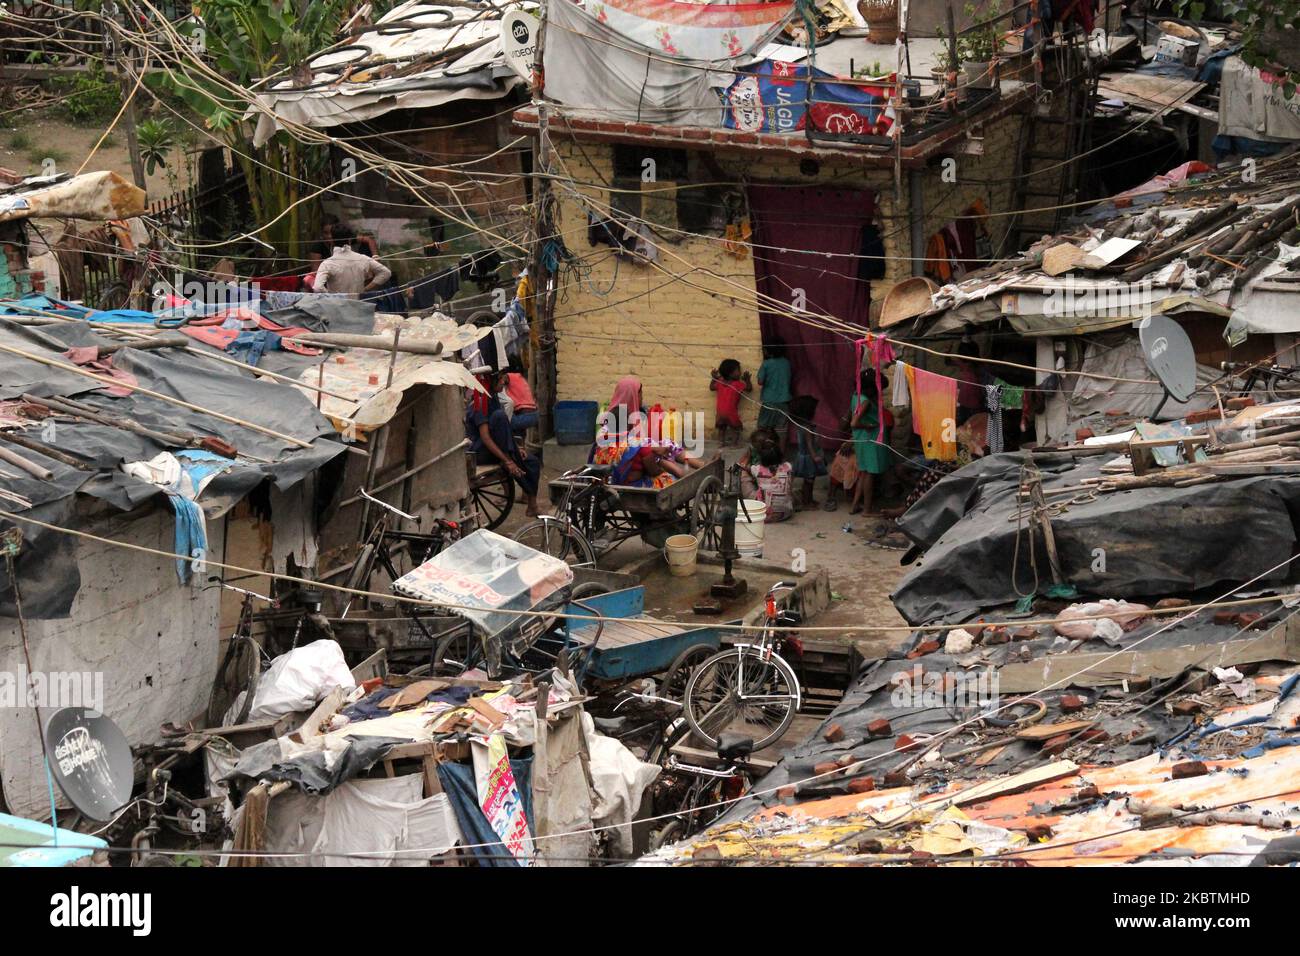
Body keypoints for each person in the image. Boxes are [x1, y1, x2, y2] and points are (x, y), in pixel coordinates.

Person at [465, 375, 543, 516]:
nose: (504, 382)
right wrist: (508, 460)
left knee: (532, 462)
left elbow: (503, 430)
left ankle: (532, 504)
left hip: (495, 447)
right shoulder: (481, 402)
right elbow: (486, 438)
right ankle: (511, 458)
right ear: (492, 381)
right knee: (517, 460)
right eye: (500, 379)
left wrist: (516, 446)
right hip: (481, 451)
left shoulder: (493, 398)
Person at [850, 370, 892, 515]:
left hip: (861, 439)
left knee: (863, 473)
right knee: (869, 475)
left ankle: (855, 505)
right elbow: (854, 423)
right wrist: (868, 426)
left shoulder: (856, 396)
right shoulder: (866, 401)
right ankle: (867, 509)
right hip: (870, 440)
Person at [311, 223, 392, 297]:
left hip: (336, 308)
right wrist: (366, 289)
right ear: (350, 240)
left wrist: (333, 297)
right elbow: (386, 273)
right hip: (358, 305)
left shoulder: (327, 264)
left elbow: (318, 288)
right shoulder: (363, 259)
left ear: (332, 240)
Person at [788, 394, 826, 510]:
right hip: (808, 458)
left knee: (809, 481)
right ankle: (806, 502)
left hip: (804, 456)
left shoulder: (802, 425)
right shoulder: (807, 428)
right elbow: (809, 444)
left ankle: (809, 500)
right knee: (809, 481)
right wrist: (815, 457)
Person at [756, 341, 792, 446]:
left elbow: (760, 382)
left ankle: (763, 453)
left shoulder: (766, 364)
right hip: (784, 401)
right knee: (781, 430)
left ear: (768, 351)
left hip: (769, 402)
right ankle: (780, 455)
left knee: (763, 428)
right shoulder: (786, 363)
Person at [749, 440, 794, 522]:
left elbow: (747, 467)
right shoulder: (788, 467)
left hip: (763, 515)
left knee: (744, 476)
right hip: (785, 514)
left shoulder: (756, 469)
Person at [710, 358, 751, 447]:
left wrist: (714, 378)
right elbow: (749, 389)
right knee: (736, 428)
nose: (740, 373)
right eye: (738, 370)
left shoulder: (720, 382)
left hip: (720, 412)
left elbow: (712, 387)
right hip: (731, 412)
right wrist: (747, 380)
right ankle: (734, 444)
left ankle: (721, 442)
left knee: (722, 427)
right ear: (730, 373)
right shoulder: (737, 384)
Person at [951, 340, 991, 426]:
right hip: (966, 404)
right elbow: (948, 362)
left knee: (970, 427)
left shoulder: (980, 367)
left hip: (974, 406)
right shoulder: (965, 364)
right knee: (966, 427)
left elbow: (985, 387)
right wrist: (947, 352)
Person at [502, 366, 538, 438]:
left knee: (502, 423)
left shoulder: (511, 376)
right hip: (533, 414)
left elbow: (502, 379)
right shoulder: (520, 379)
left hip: (525, 415)